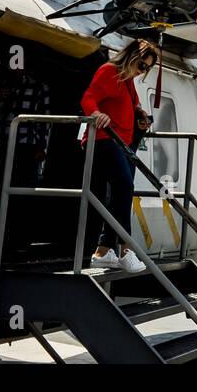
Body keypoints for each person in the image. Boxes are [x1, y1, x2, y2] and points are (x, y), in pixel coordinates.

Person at [80, 39, 157, 273]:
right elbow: (88, 98)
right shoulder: (109, 71)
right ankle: (126, 250)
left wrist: (140, 114)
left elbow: (128, 107)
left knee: (120, 194)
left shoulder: (129, 82)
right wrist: (96, 114)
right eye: (142, 65)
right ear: (132, 57)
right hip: (105, 139)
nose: (142, 71)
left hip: (125, 143)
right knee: (124, 187)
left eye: (147, 69)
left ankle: (103, 250)